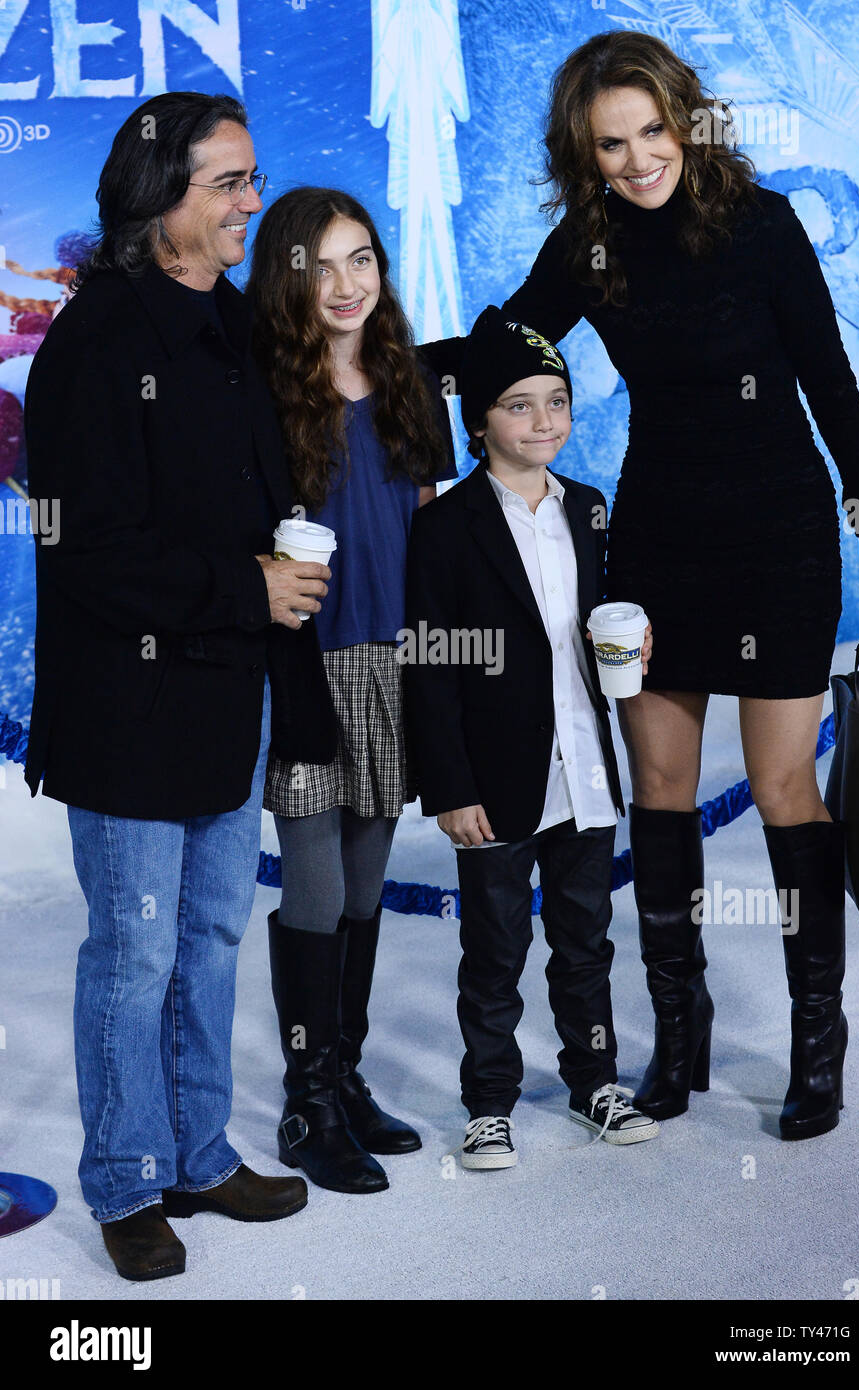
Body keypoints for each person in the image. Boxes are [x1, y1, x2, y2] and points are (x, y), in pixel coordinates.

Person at [419, 30, 859, 1143]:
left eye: (650, 132)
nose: (638, 161)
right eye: (610, 145)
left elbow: (832, 382)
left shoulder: (763, 226)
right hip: (656, 547)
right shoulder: (588, 248)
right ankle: (677, 1039)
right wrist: (389, 387)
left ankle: (813, 1047)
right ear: (583, 156)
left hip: (777, 535)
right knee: (663, 788)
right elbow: (507, 340)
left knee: (788, 788)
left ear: (684, 119)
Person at [23, 93, 337, 1281]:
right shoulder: (93, 344)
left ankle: (200, 1151)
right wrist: (246, 586)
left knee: (208, 933)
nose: (255, 203)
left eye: (254, 180)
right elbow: (89, 552)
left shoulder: (235, 327)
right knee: (135, 952)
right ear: (162, 205)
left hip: (228, 693)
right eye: (232, 185)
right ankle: (126, 1182)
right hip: (128, 708)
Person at [406, 307, 657, 1168]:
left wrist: (635, 639)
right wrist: (450, 788)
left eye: (557, 402)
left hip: (584, 763)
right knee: (495, 945)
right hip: (496, 778)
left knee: (586, 937)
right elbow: (429, 665)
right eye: (519, 405)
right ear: (478, 423)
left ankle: (595, 1079)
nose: (543, 421)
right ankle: (489, 1101)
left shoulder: (588, 510)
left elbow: (604, 621)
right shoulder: (442, 528)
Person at [247, 188, 457, 1193]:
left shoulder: (412, 382)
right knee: (318, 885)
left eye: (361, 260)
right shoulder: (265, 391)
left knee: (369, 884)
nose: (344, 286)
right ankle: (306, 1100)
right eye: (320, 266)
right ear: (288, 275)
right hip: (305, 666)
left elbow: (427, 528)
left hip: (390, 660)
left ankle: (346, 1076)